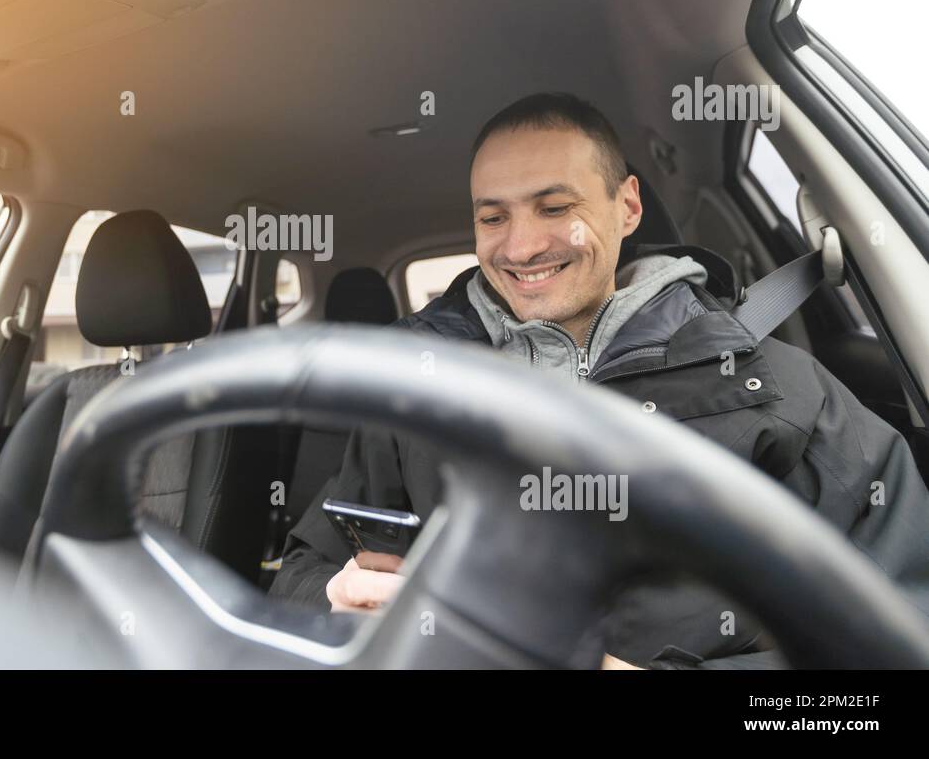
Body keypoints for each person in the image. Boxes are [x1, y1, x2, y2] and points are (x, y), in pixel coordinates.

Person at [269, 92, 929, 669]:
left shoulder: (776, 389)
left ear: (628, 206)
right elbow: (296, 574)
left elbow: (898, 639)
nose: (521, 247)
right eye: (493, 217)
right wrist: (337, 596)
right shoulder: (411, 391)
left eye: (555, 207)